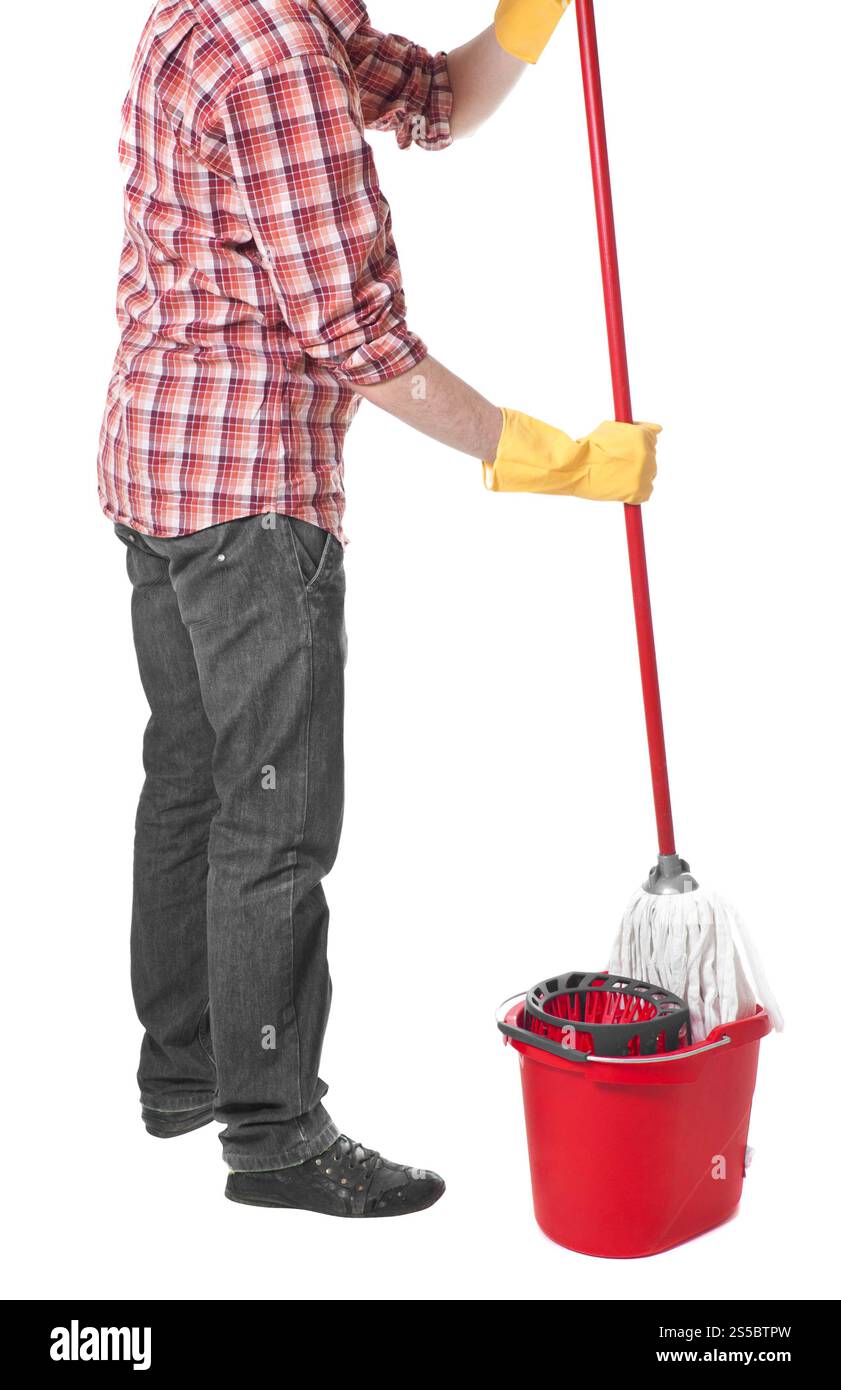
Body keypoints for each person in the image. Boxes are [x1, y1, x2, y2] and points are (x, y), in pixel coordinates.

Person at [97, 0, 658, 1218]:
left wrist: (524, 23)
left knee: (194, 781)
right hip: (249, 496)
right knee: (272, 818)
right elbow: (358, 335)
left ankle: (184, 1072)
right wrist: (542, 454)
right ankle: (274, 1132)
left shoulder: (237, 16)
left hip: (159, 466)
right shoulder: (281, 55)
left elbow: (431, 96)